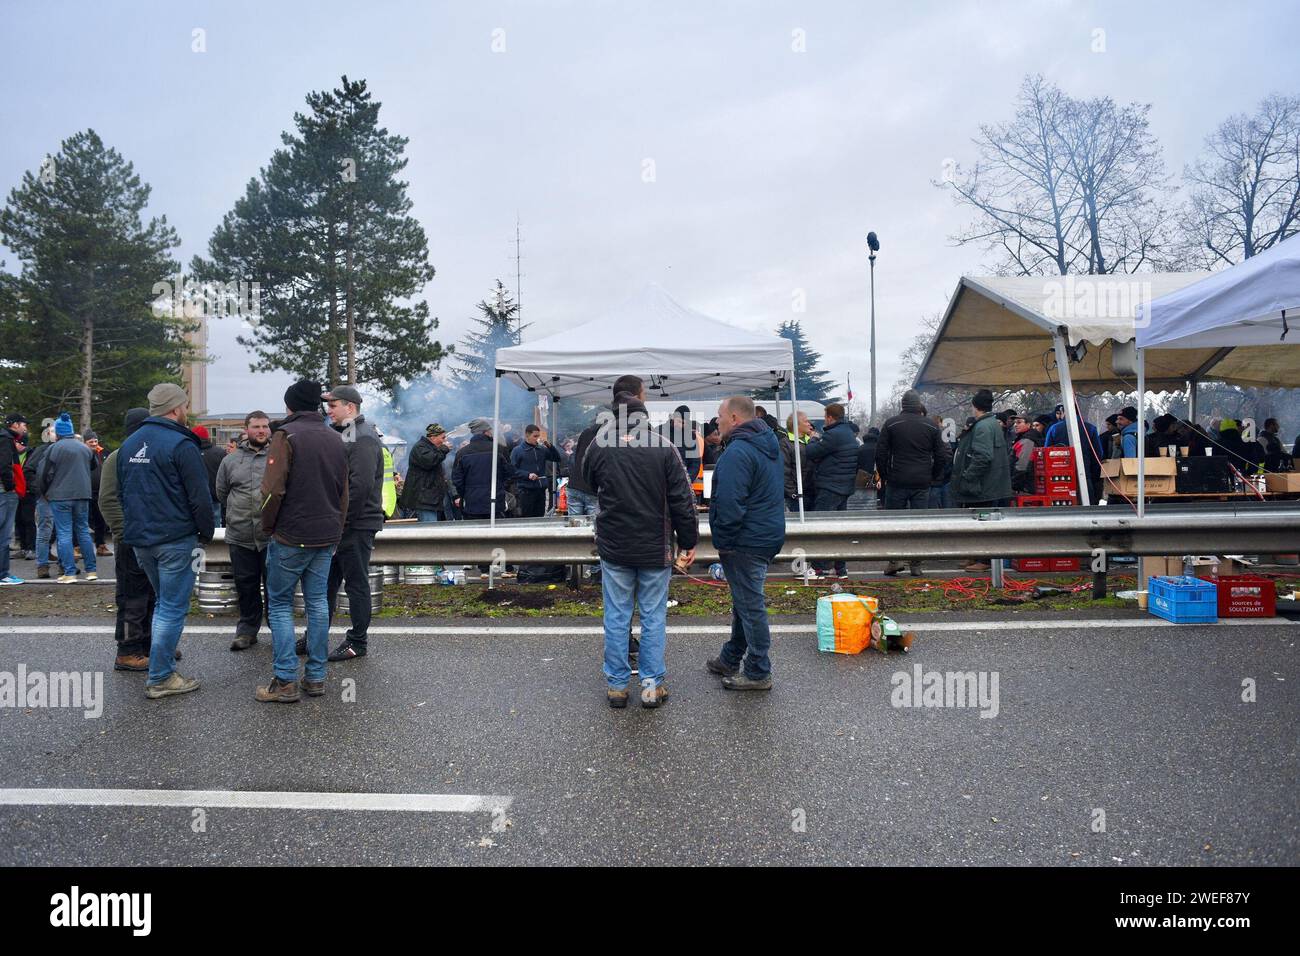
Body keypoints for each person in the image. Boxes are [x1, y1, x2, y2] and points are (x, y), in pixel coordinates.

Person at [582, 375, 698, 710]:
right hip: (654, 545)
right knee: (652, 615)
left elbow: (590, 485)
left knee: (616, 615)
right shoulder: (663, 445)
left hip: (615, 543)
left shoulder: (598, 444)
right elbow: (683, 501)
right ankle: (650, 685)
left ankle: (618, 686)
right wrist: (688, 541)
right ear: (643, 410)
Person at [117, 383, 214, 699]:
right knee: (172, 607)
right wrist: (206, 533)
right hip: (175, 538)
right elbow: (200, 498)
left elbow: (123, 494)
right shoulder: (181, 445)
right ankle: (160, 677)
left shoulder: (129, 445)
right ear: (176, 408)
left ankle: (160, 668)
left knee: (163, 604)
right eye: (185, 406)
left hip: (140, 540)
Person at [256, 380, 349, 703]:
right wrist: (336, 530)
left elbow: (272, 490)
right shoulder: (335, 438)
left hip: (291, 535)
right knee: (318, 604)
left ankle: (284, 681)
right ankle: (316, 677)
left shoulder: (286, 436)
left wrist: (268, 526)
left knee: (280, 605)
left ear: (291, 406)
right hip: (325, 535)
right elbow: (343, 492)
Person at [705, 396, 784, 691]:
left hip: (746, 540)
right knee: (744, 602)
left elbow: (729, 502)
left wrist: (723, 541)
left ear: (735, 418)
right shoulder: (766, 445)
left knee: (750, 606)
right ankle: (731, 656)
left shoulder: (738, 451)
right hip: (764, 534)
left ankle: (758, 671)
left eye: (720, 415)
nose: (717, 421)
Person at [320, 384, 384, 662]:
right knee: (326, 584)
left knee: (355, 583)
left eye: (333, 406)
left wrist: (341, 524)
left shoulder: (363, 437)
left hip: (355, 524)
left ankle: (357, 641)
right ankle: (316, 637)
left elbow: (359, 487)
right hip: (340, 524)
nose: (328, 411)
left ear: (350, 407)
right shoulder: (346, 434)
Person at [98, 407, 156, 670]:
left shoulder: (150, 454)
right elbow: (108, 500)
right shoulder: (118, 457)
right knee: (131, 596)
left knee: (152, 595)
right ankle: (127, 650)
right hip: (131, 539)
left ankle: (148, 644)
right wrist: (125, 533)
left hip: (153, 538)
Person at [214, 410, 272, 651]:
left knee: (275, 587)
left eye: (265, 426)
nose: (261, 431)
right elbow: (221, 493)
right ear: (246, 430)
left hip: (271, 536)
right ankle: (247, 630)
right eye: (256, 426)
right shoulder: (230, 461)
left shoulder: (279, 457)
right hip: (240, 535)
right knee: (246, 585)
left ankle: (279, 631)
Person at [877, 390, 947, 576]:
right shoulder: (931, 426)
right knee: (918, 523)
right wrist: (932, 475)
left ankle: (895, 560)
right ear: (918, 405)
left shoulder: (891, 424)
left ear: (902, 405)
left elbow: (881, 453)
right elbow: (941, 455)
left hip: (897, 480)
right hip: (922, 482)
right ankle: (916, 564)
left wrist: (885, 476)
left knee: (894, 523)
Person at [951, 389, 1012, 572]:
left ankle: (984, 560)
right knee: (980, 520)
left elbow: (983, 457)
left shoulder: (983, 426)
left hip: (983, 485)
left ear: (974, 406)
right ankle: (977, 555)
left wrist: (968, 476)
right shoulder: (990, 423)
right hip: (988, 484)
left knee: (982, 521)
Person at [38, 413, 98, 584]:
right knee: (83, 531)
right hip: (83, 495)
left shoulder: (53, 449)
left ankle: (70, 572)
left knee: (64, 533)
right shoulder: (85, 449)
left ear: (58, 433)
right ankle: (91, 570)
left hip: (60, 496)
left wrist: (45, 493)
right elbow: (93, 466)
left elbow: (43, 475)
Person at [805, 402, 859, 579]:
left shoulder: (833, 435)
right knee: (839, 529)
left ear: (829, 417)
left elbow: (812, 452)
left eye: (825, 417)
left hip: (830, 487)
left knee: (820, 527)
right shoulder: (848, 433)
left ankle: (818, 569)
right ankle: (841, 569)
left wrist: (813, 437)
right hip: (844, 487)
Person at [452, 418, 511, 520]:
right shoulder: (499, 449)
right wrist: (501, 489)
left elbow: (457, 480)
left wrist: (466, 493)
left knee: (474, 534)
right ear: (487, 432)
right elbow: (509, 474)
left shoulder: (462, 453)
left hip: (472, 504)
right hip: (495, 502)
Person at [22, 423, 56, 578]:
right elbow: (28, 470)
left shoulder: (69, 449)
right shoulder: (42, 450)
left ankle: (65, 564)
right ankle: (42, 565)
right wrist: (40, 491)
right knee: (44, 530)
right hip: (46, 498)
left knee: (63, 532)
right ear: (48, 434)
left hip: (64, 497)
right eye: (53, 431)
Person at [400, 423, 450, 521]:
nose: (445, 441)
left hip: (429, 497)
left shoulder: (428, 447)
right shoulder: (420, 447)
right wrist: (444, 449)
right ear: (433, 437)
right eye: (443, 438)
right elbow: (431, 461)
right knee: (429, 530)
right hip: (425, 498)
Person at [510, 424, 562, 518]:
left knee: (539, 516)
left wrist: (550, 446)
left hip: (541, 489)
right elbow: (512, 470)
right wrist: (527, 475)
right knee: (527, 517)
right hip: (526, 490)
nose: (537, 438)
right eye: (535, 436)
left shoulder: (541, 449)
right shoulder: (518, 450)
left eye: (538, 436)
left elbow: (557, 458)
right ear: (527, 435)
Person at [0, 412, 28, 585]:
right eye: (24, 424)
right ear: (15, 425)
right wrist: (11, 487)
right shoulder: (5, 440)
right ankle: (3, 574)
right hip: (4, 492)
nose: (25, 428)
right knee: (4, 535)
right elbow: (4, 466)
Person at [82, 429, 111, 556]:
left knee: (100, 520)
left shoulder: (103, 453)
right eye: (90, 441)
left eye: (95, 441)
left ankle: (101, 545)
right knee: (82, 520)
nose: (94, 444)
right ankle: (78, 547)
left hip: (100, 491)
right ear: (85, 442)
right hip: (85, 491)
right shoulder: (82, 453)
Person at [781, 410, 816, 514]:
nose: (809, 424)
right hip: (797, 496)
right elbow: (784, 471)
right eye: (806, 421)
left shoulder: (813, 440)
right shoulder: (785, 444)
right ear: (796, 425)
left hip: (814, 492)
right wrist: (793, 494)